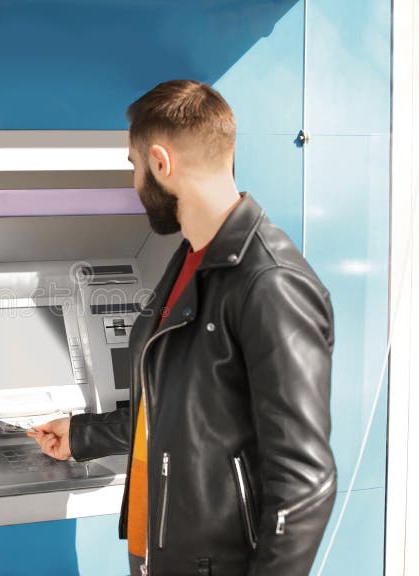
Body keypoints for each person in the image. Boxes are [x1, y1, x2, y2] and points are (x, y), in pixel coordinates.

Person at [28, 80, 336, 576]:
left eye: (133, 166)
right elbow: (178, 411)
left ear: (160, 162)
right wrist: (83, 435)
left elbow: (305, 481)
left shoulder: (269, 283)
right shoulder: (188, 262)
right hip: (160, 553)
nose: (133, 183)